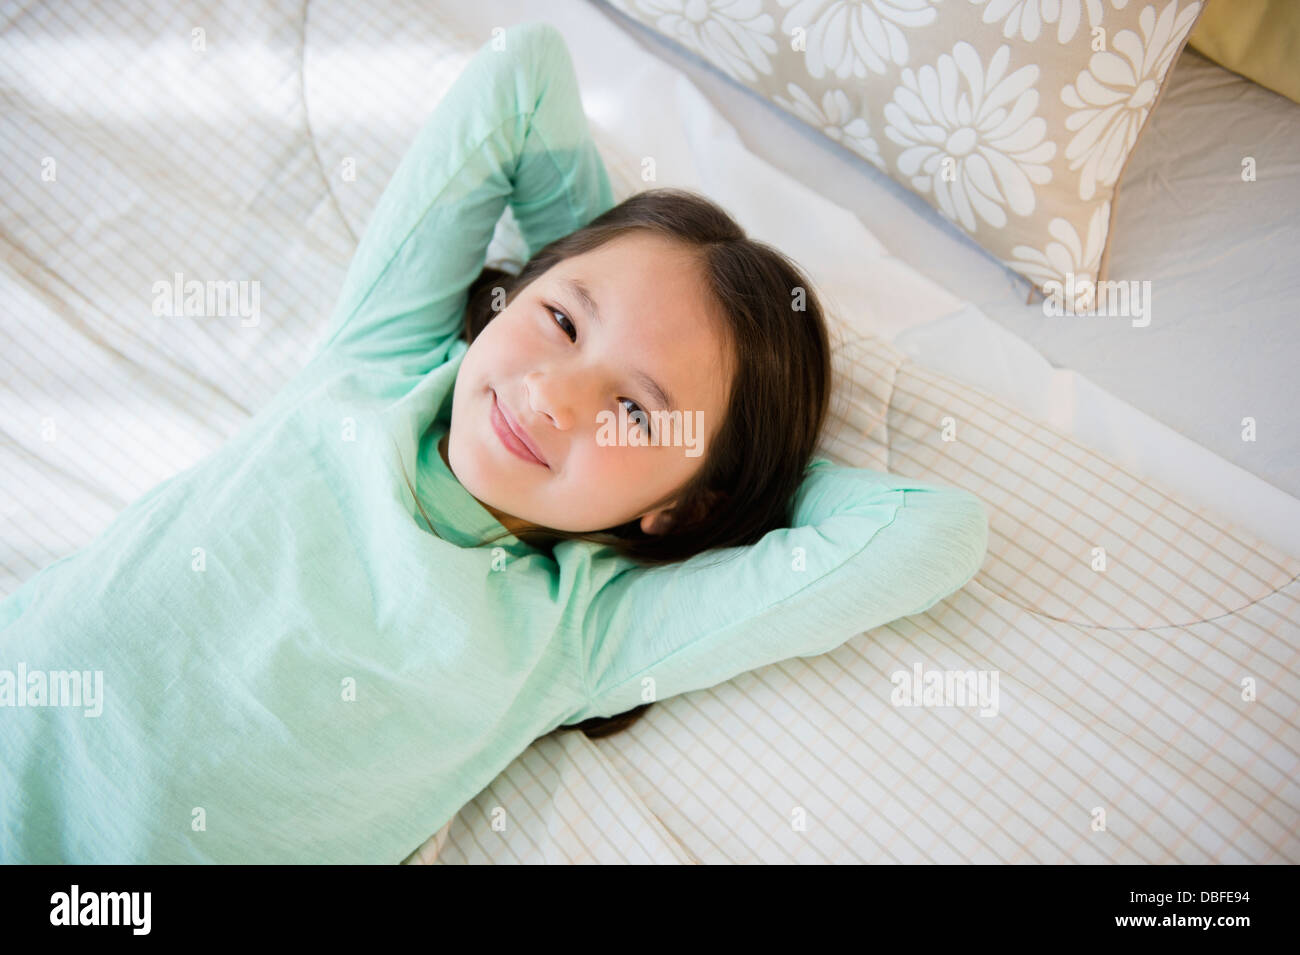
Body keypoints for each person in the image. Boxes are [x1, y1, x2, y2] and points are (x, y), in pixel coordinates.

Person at [0, 21, 988, 864]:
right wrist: (602, 265)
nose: (553, 396)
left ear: (681, 505)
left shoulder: (580, 632)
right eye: (560, 323)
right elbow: (522, 75)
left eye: (634, 411)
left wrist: (737, 471)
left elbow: (931, 533)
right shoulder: (379, 365)